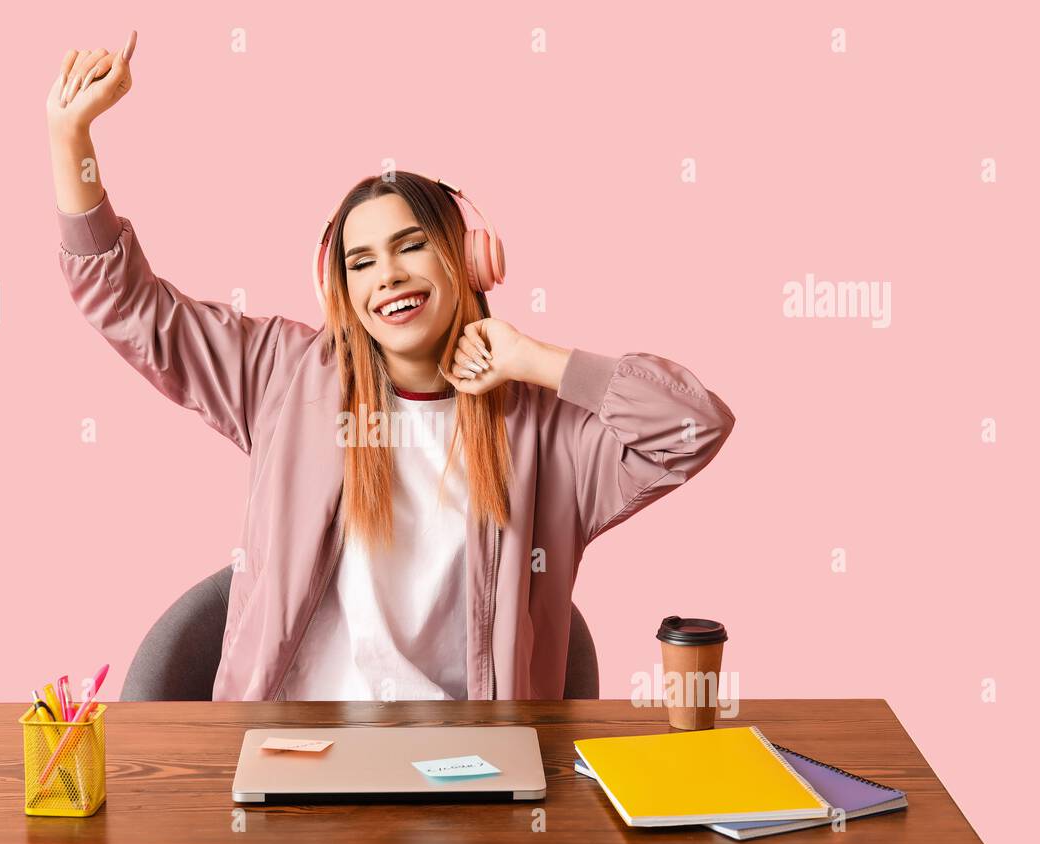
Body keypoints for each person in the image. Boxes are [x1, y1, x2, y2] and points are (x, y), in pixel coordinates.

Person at [46, 31, 736, 701]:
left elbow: (691, 425)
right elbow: (128, 304)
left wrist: (537, 360)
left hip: (469, 767)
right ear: (339, 289)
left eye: (411, 247)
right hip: (297, 749)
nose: (389, 278)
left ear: (466, 259)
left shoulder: (545, 433)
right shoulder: (283, 376)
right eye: (362, 262)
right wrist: (71, 141)